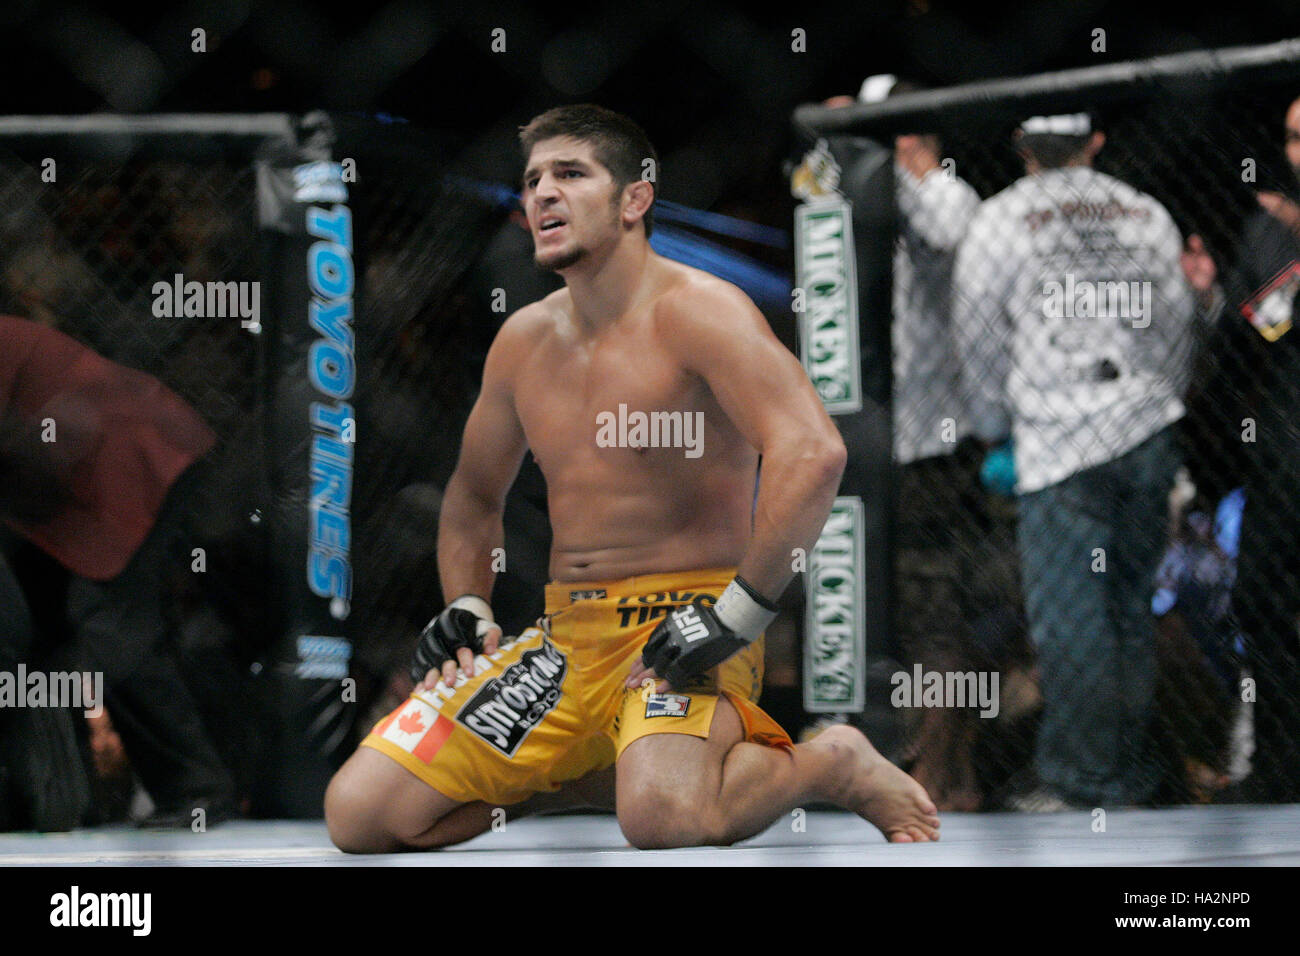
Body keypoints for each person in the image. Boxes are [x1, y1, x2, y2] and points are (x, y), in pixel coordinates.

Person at [325, 104, 940, 851]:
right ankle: (575, 782)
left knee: (664, 820)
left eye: (571, 174)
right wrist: (466, 602)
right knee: (359, 817)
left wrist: (737, 615)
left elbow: (814, 451)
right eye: (532, 180)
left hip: (683, 627)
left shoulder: (702, 312)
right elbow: (472, 495)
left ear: (634, 199)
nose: (543, 193)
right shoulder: (522, 341)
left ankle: (829, 762)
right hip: (564, 640)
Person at [952, 113, 1197, 808]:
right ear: (1096, 141)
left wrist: (995, 427)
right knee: (1126, 611)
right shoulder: (1145, 212)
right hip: (1144, 426)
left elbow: (980, 337)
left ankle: (1085, 779)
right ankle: (1125, 770)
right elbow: (1175, 320)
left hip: (1060, 439)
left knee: (1071, 617)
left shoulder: (1003, 218)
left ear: (1022, 147)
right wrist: (1161, 401)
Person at [0, 313, 238, 828]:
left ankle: (198, 790)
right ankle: (63, 792)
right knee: (43, 630)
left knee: (114, 629)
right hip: (58, 489)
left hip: (128, 460)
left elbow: (66, 428)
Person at [1179, 93, 1300, 802]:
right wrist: (1213, 299)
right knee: (1259, 598)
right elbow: (1248, 339)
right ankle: (1283, 765)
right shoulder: (1268, 231)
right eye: (1290, 137)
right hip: (1286, 451)